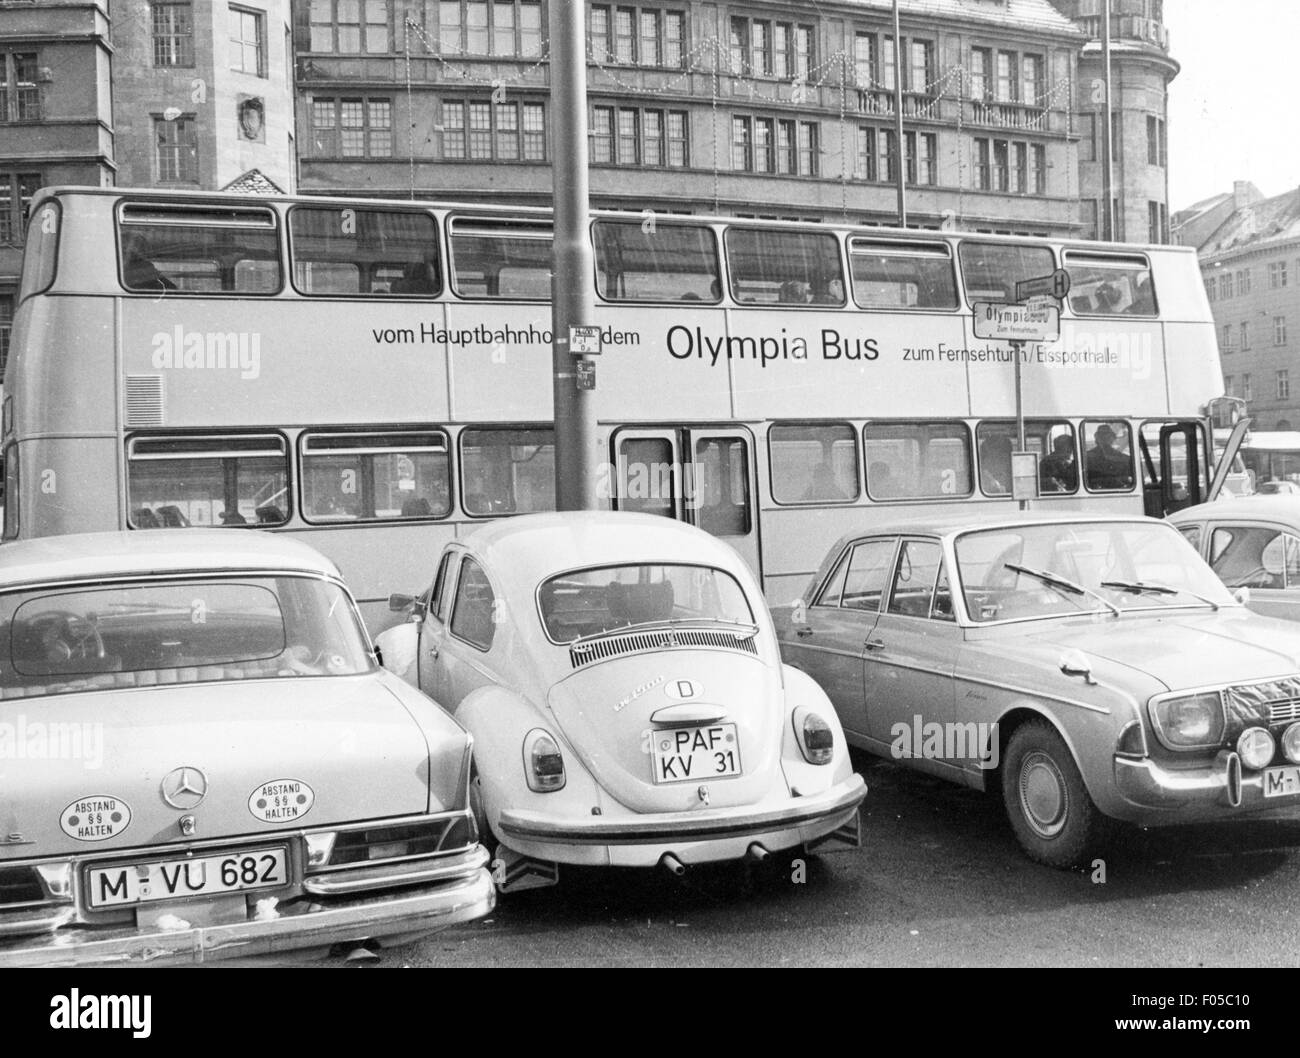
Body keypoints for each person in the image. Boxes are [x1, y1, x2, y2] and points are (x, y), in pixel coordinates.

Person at [1085, 424, 1133, 490]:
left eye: (1107, 436)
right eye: (1102, 436)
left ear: (1112, 438)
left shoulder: (1124, 459)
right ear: (1097, 438)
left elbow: (1132, 479)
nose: (1105, 439)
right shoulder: (1086, 458)